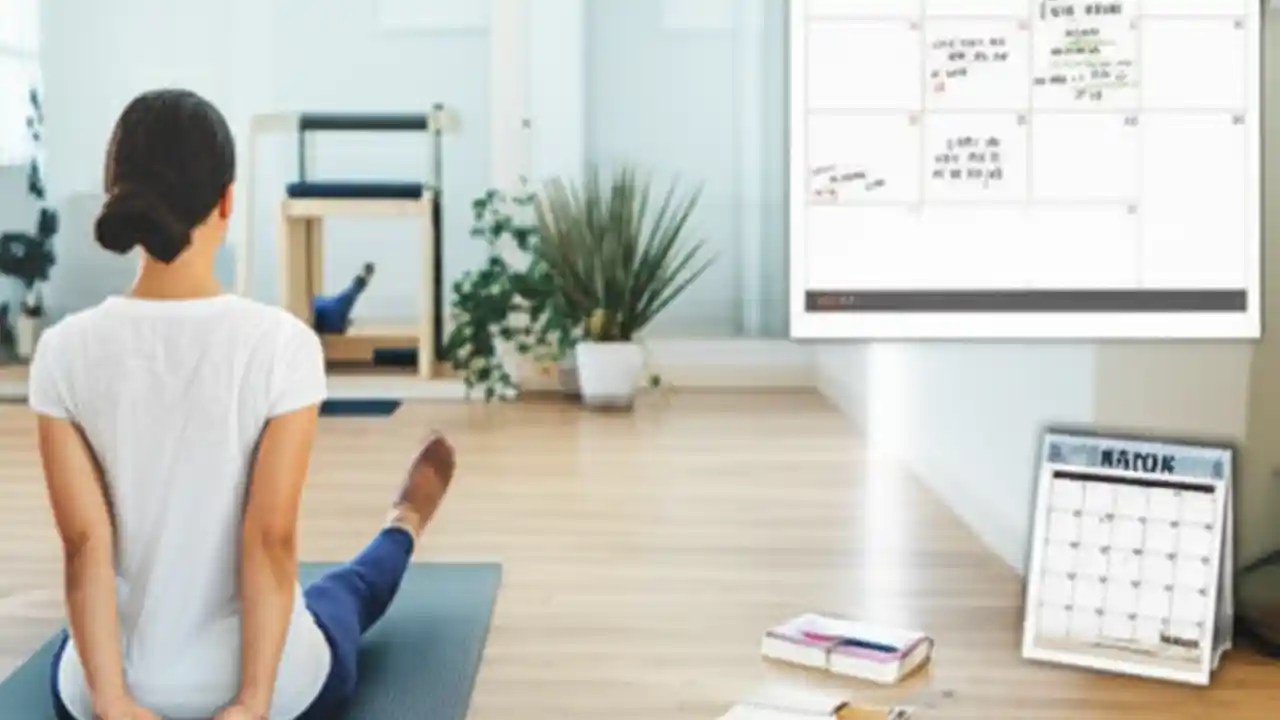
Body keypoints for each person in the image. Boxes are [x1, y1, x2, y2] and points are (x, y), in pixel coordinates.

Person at [28, 88, 456, 720]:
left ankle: (401, 520)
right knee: (345, 593)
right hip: (273, 690)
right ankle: (404, 522)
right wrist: (251, 705)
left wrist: (114, 704)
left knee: (81, 625)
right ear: (228, 200)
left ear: (117, 193)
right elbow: (270, 538)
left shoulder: (62, 350)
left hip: (111, 693)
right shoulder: (284, 345)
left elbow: (85, 545)